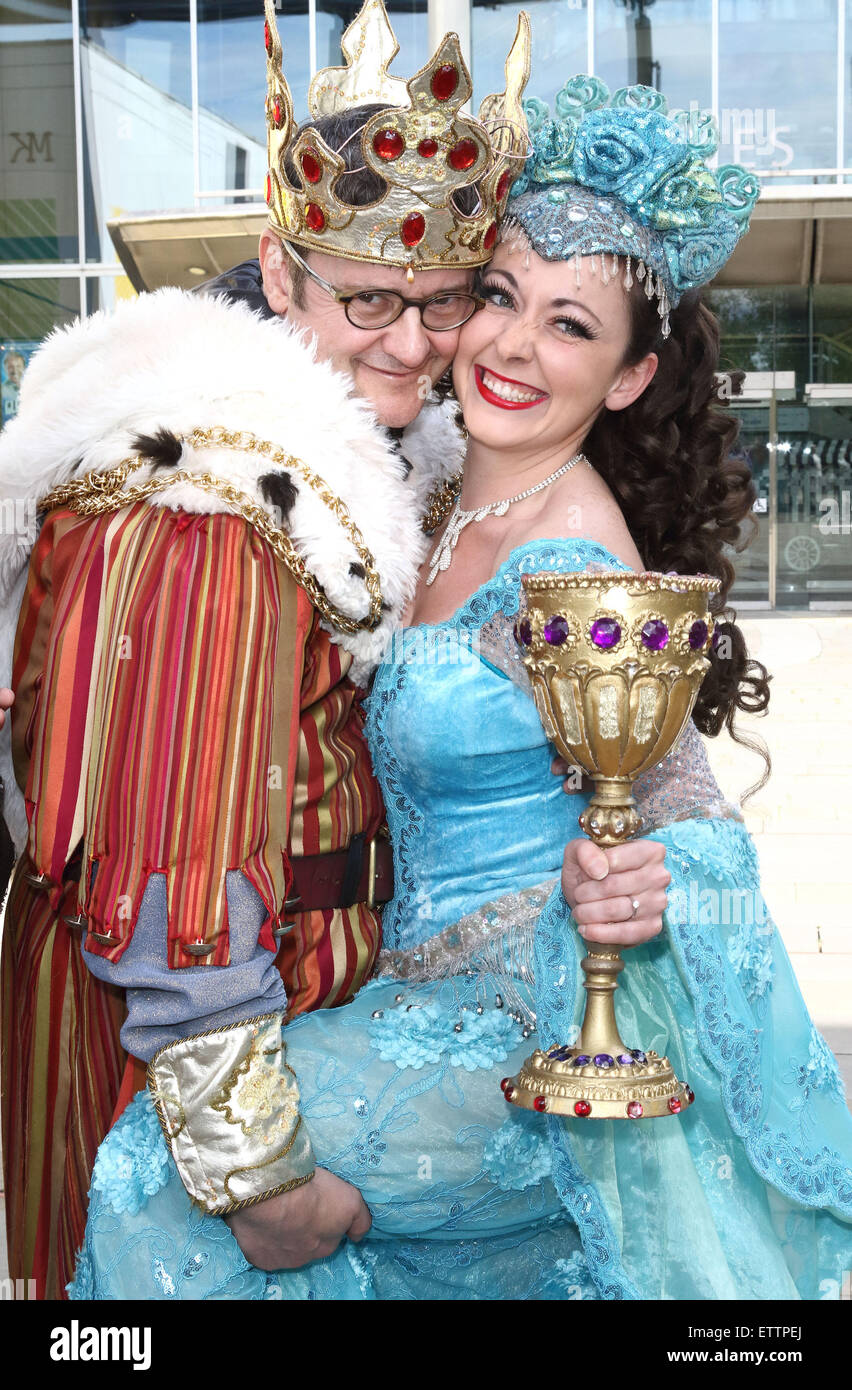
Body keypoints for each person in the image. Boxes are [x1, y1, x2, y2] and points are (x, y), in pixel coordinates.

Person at [68, 78, 852, 1299]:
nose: (509, 344)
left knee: (158, 1184)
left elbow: (687, 815)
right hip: (399, 995)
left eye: (571, 326)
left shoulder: (565, 557)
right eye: (497, 296)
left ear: (631, 378)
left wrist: (640, 878)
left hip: (516, 1021)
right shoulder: (428, 500)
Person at [0, 2, 664, 1298]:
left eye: (443, 300)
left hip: (307, 1018)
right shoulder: (211, 498)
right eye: (368, 298)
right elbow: (170, 856)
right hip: (192, 1075)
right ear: (279, 268)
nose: (412, 344)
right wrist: (257, 1175)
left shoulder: (350, 471)